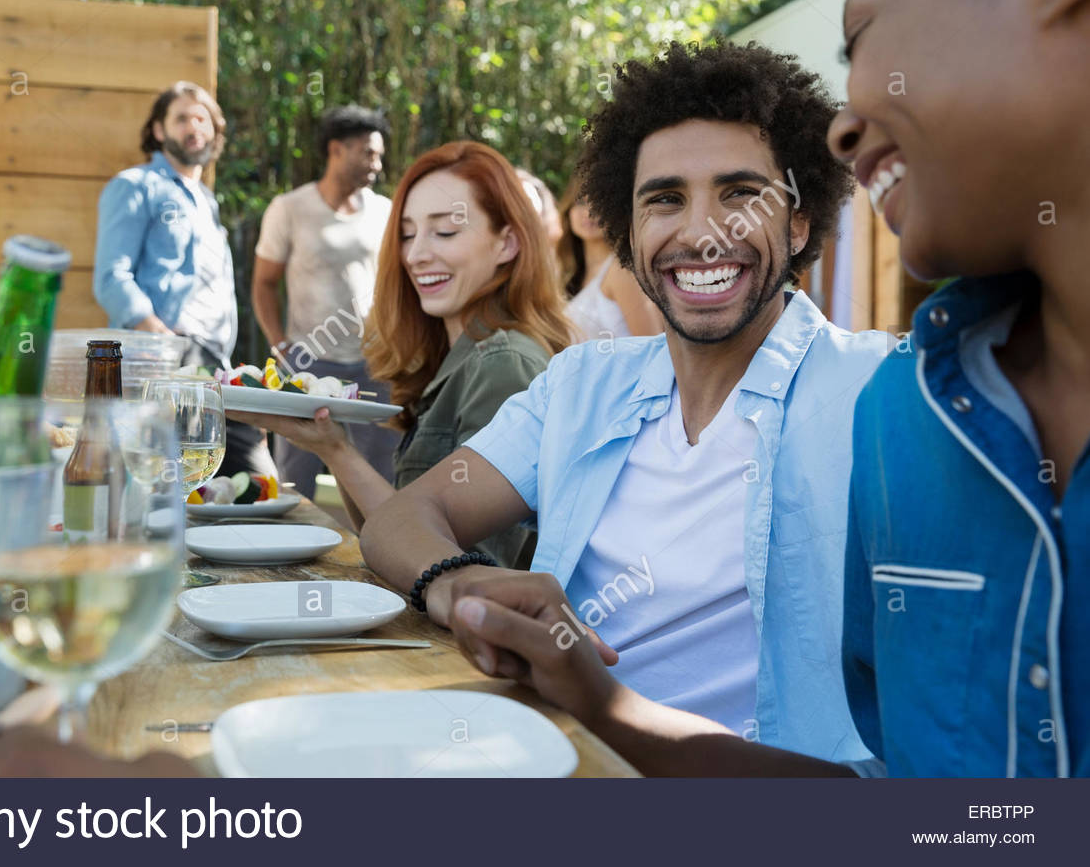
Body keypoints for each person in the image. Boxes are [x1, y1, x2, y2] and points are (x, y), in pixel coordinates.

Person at [442, 0, 1090, 778]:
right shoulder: (920, 410)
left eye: (865, 36)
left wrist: (608, 709)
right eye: (663, 199)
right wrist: (581, 692)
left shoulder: (880, 396)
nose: (844, 128)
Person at [360, 40, 896, 762]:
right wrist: (457, 583)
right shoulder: (581, 386)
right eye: (665, 199)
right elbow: (402, 517)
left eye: (741, 194)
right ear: (630, 231)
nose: (704, 233)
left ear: (799, 222)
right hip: (545, 758)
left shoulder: (879, 391)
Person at [232, 141, 574, 568]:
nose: (415, 254)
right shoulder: (454, 356)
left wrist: (339, 452)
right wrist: (333, 445)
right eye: (408, 234)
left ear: (506, 244)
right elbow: (387, 533)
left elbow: (449, 564)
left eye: (445, 231)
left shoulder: (502, 364)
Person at [94, 81, 276, 477]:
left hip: (213, 364)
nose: (193, 126)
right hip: (163, 359)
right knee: (163, 486)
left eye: (202, 118)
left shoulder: (206, 201)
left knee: (254, 485)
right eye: (181, 118)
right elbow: (111, 277)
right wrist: (162, 341)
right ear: (159, 130)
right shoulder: (135, 186)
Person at [251, 106, 398, 499]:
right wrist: (281, 344)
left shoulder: (385, 211)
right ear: (337, 149)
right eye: (369, 153)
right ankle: (284, 555)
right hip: (308, 361)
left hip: (375, 363)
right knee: (295, 475)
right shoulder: (290, 208)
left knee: (381, 471)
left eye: (379, 155)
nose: (377, 164)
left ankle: (379, 555)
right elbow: (264, 284)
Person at [557, 174, 666, 340]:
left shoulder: (621, 270)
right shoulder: (567, 273)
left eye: (599, 202)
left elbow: (653, 346)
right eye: (580, 202)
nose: (588, 212)